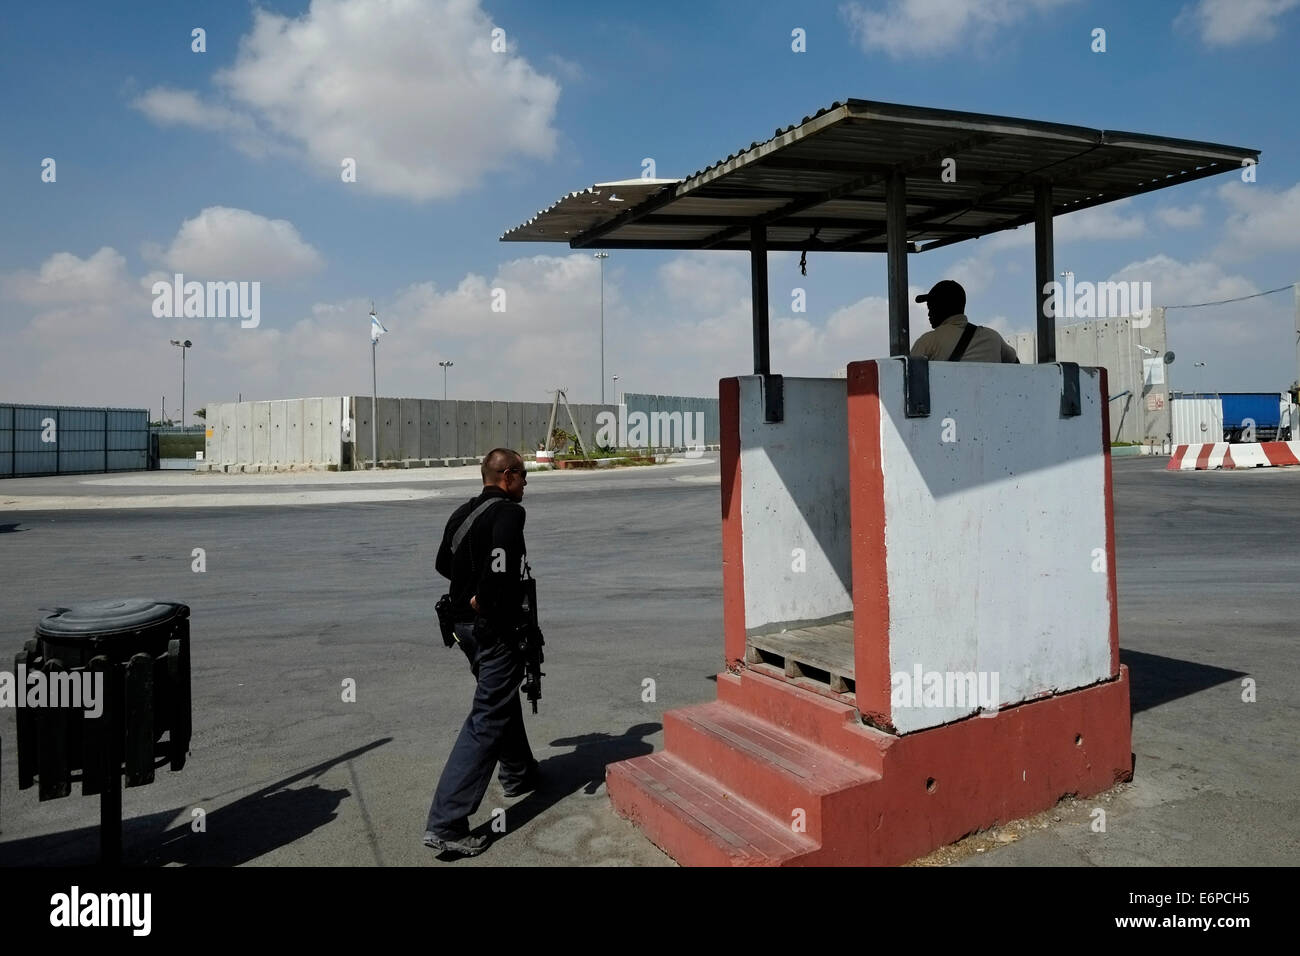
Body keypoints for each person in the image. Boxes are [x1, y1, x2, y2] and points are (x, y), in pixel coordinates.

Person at [424, 447, 540, 857]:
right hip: (493, 629)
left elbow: (443, 562)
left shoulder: (463, 513)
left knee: (500, 698)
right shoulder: (509, 513)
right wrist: (487, 600)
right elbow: (502, 570)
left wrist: (471, 588)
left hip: (461, 628)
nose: (526, 482)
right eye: (523, 475)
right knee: (488, 715)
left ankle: (519, 774)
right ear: (506, 475)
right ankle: (447, 823)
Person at [910, 279, 1019, 363]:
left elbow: (909, 378)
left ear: (944, 307)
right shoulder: (993, 337)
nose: (929, 313)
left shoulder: (928, 341)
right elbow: (1016, 366)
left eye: (931, 307)